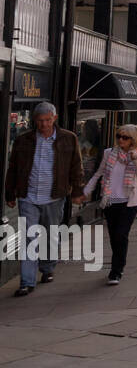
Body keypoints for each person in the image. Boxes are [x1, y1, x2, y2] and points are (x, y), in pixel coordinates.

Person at [4, 102, 86, 296]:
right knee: (29, 237)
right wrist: (10, 194)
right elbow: (13, 168)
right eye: (40, 121)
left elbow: (76, 167)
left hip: (54, 196)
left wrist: (77, 192)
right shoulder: (23, 141)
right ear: (34, 121)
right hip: (29, 197)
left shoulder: (68, 138)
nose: (44, 125)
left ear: (54, 118)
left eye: (48, 120)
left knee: (50, 236)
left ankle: (48, 268)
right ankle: (27, 281)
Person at [82, 123, 137, 285]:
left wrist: (136, 160)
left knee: (121, 234)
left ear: (134, 139)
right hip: (110, 200)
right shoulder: (109, 153)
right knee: (114, 236)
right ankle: (118, 264)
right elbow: (99, 173)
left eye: (125, 137)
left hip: (129, 201)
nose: (120, 140)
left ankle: (116, 270)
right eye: (119, 136)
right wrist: (86, 190)